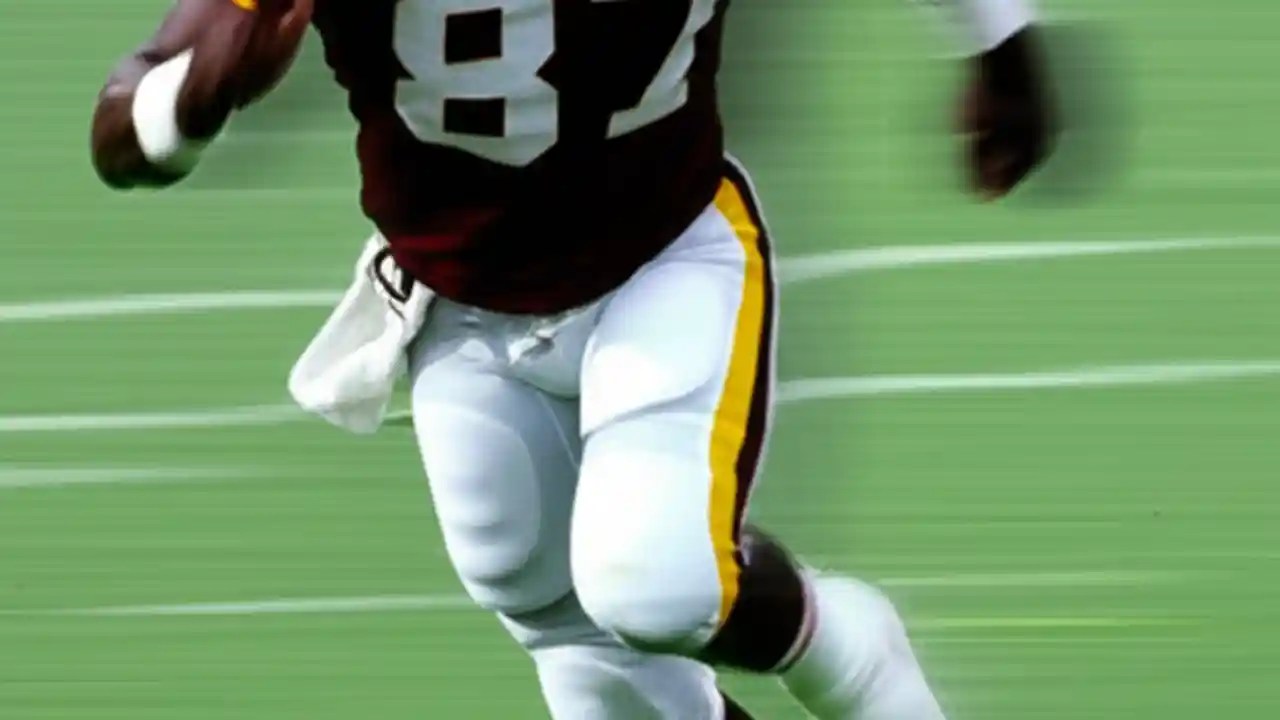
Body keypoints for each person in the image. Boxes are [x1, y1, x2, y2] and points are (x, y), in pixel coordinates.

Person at [90, 1, 1056, 717]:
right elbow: (121, 127)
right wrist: (190, 101)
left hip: (664, 258)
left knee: (658, 582)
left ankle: (863, 672)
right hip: (461, 307)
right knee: (565, 636)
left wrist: (1001, 41)